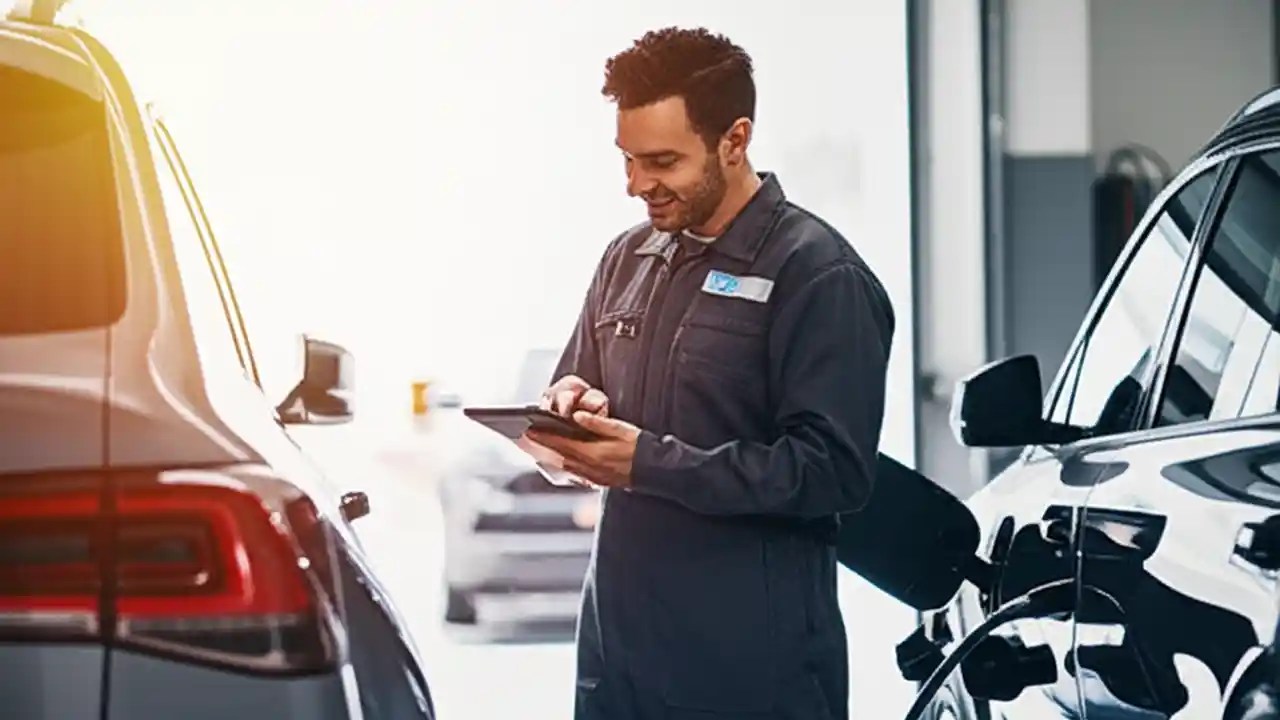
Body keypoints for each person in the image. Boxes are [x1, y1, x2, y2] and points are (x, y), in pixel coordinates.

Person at [523, 26, 895, 720]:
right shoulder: (627, 258)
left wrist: (649, 463)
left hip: (752, 674)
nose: (638, 185)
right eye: (628, 159)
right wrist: (565, 406)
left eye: (662, 161)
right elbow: (577, 379)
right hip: (620, 658)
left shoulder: (818, 274)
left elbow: (832, 473)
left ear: (735, 139)